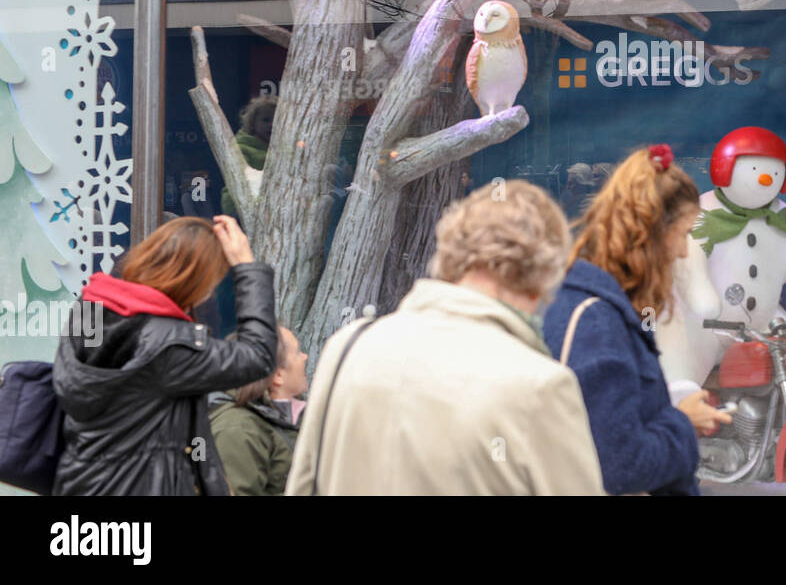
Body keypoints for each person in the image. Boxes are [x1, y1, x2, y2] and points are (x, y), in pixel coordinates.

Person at [286, 181, 604, 495]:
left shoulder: (347, 348)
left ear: (449, 253)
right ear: (546, 272)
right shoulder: (542, 385)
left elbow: (302, 485)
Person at [544, 143, 731, 496]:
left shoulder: (603, 310)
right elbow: (619, 468)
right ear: (653, 232)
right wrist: (681, 422)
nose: (683, 250)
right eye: (684, 233)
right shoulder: (594, 323)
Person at [52, 216, 278, 496]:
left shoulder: (90, 312)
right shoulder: (168, 347)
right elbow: (258, 356)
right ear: (196, 282)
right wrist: (246, 267)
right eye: (212, 282)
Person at [208, 326, 308, 496]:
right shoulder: (237, 430)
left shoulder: (289, 415)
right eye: (298, 352)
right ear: (277, 375)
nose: (305, 357)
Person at [220, 94, 277, 219]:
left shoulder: (281, 147)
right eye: (266, 120)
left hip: (268, 205)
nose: (271, 125)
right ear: (252, 123)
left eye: (276, 119)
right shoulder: (241, 146)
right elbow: (241, 179)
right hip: (238, 206)